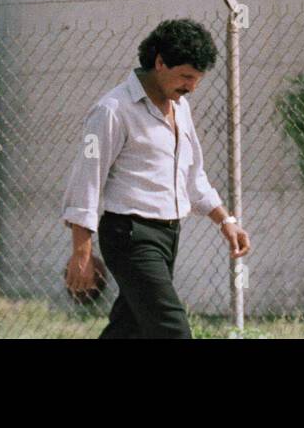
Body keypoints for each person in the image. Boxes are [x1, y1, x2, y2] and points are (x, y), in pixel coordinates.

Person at [61, 18, 251, 338]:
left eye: (197, 79)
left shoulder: (181, 109)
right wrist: (82, 251)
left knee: (130, 327)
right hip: (130, 235)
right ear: (160, 62)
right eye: (186, 77)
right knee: (172, 328)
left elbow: (193, 175)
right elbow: (87, 181)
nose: (191, 87)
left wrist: (225, 220)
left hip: (168, 235)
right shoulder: (113, 110)